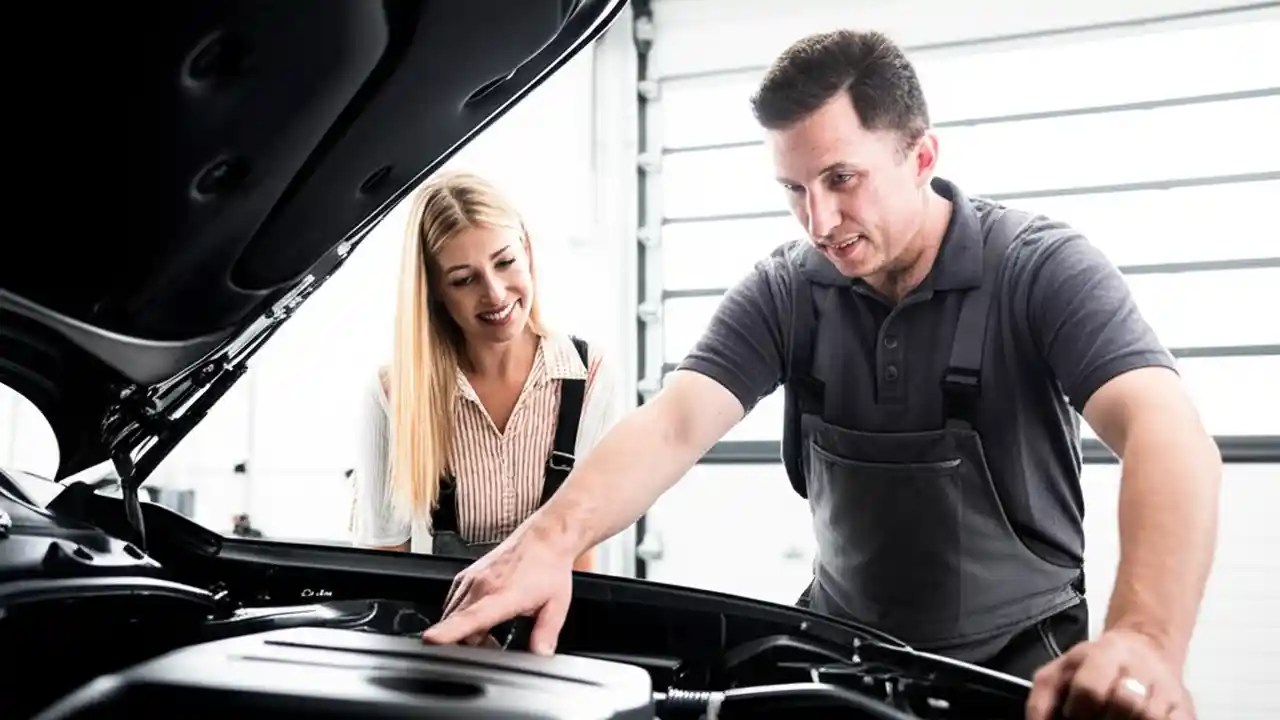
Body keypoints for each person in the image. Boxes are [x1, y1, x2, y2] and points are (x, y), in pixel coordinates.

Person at [420, 30, 1220, 720]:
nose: (819, 221)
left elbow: (1164, 431)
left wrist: (1145, 636)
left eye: (841, 179)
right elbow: (673, 422)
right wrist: (547, 541)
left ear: (922, 155)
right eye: (793, 191)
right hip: (845, 656)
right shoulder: (786, 289)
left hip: (1014, 670)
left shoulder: (1040, 270)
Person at [349, 169, 624, 570]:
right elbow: (384, 557)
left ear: (527, 251)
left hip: (551, 621)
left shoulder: (588, 376)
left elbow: (579, 549)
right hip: (433, 626)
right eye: (463, 280)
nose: (494, 293)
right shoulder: (394, 392)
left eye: (505, 262)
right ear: (435, 292)